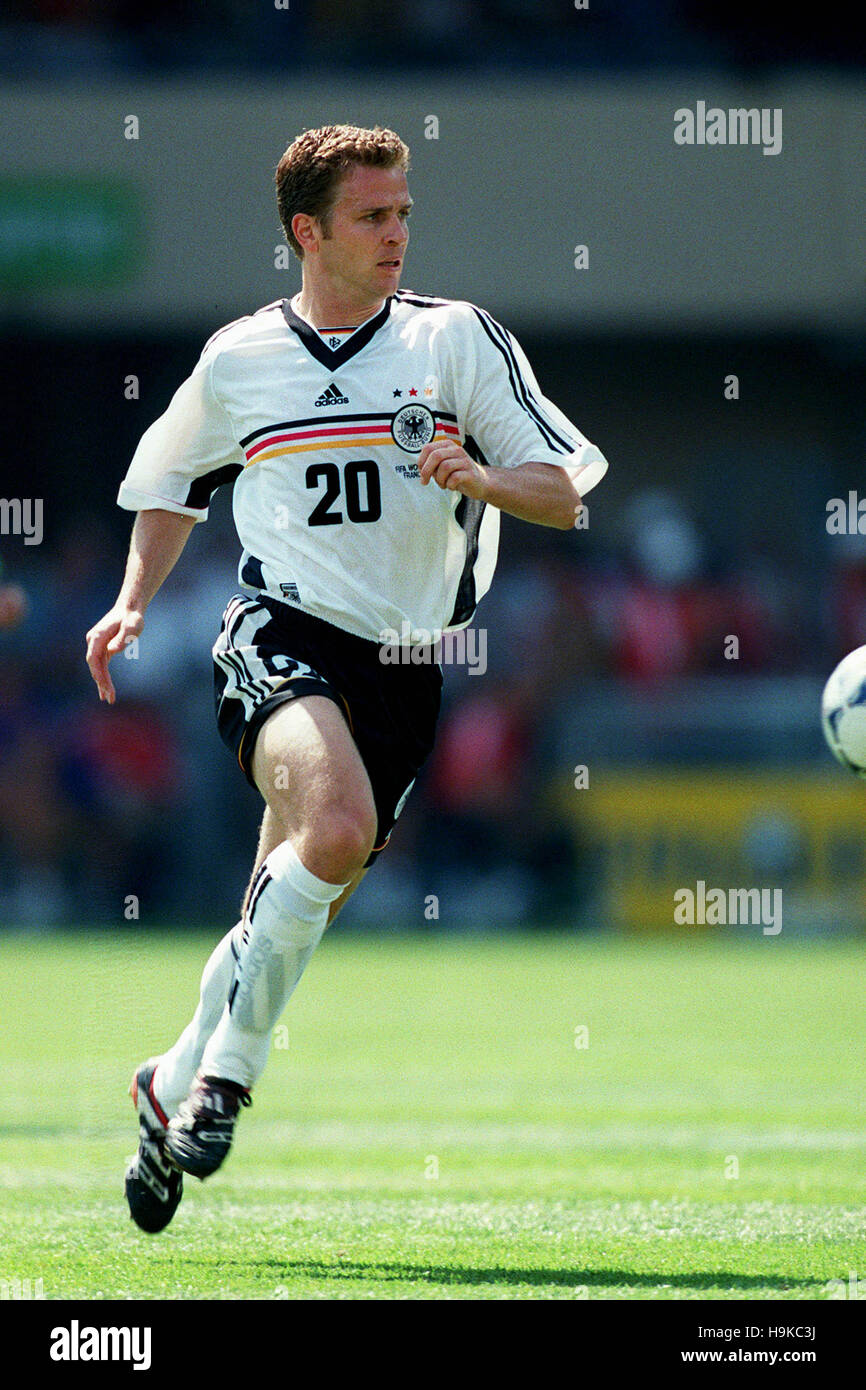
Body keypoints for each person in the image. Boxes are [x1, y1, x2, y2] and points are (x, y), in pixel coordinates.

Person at [85, 124, 609, 1233]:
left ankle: (167, 1079)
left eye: (404, 213)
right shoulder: (240, 360)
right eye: (373, 217)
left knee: (295, 895)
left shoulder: (454, 341)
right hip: (278, 629)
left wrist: (480, 474)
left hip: (409, 666)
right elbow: (168, 481)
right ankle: (228, 1073)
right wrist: (134, 597)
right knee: (329, 830)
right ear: (306, 232)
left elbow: (564, 489)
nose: (397, 235)